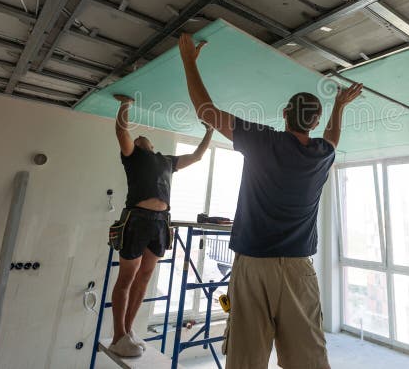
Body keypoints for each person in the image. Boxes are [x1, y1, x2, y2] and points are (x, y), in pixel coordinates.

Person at [177, 33, 363, 369]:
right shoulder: (321, 155)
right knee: (308, 360)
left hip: (253, 267)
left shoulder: (262, 140)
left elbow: (206, 111)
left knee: (245, 359)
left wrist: (189, 61)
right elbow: (333, 137)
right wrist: (339, 105)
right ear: (315, 123)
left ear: (284, 114)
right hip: (298, 270)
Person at [108, 93, 213, 358]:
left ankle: (129, 331)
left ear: (152, 145)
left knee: (145, 277)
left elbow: (198, 156)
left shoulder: (167, 160)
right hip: (136, 219)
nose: (141, 135)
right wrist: (125, 104)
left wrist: (209, 131)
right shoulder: (132, 155)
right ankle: (118, 335)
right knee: (127, 278)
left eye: (145, 136)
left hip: (160, 223)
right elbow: (122, 130)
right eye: (139, 135)